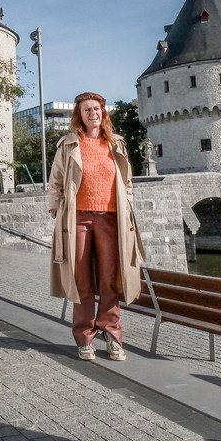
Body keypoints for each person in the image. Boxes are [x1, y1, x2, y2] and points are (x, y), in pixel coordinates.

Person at [47, 92, 144, 362]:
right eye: (87, 109)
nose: (93, 113)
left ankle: (112, 335)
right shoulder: (68, 145)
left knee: (110, 279)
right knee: (81, 280)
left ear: (103, 113)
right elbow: (55, 182)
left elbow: (127, 183)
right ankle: (84, 338)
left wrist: (129, 209)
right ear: (79, 115)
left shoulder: (116, 144)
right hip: (77, 218)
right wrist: (56, 211)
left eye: (97, 108)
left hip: (111, 218)